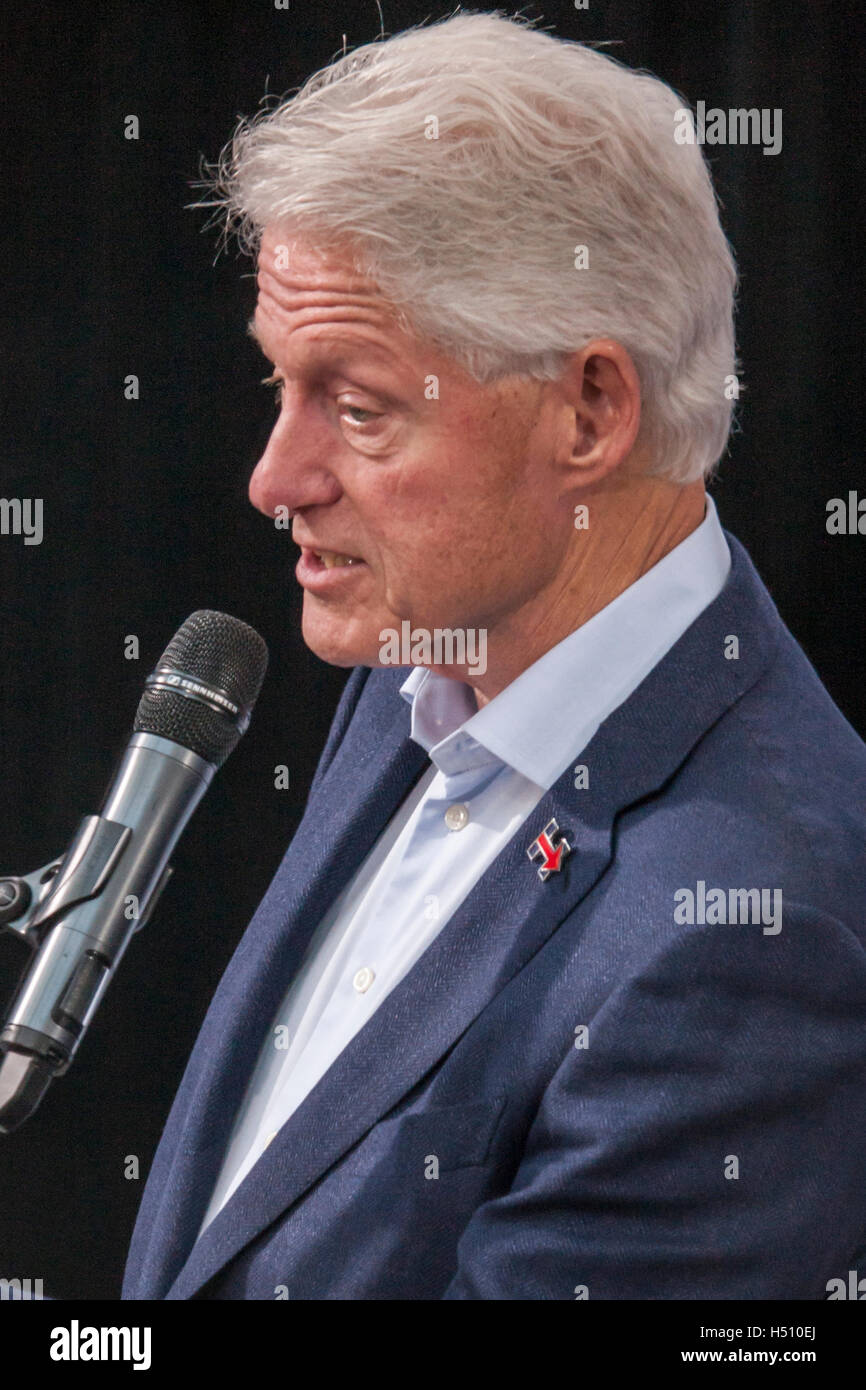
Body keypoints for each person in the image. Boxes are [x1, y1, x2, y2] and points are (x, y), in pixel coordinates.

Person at [122, 12, 866, 1300]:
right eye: (278, 389)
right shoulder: (424, 649)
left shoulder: (758, 937)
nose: (274, 480)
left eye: (359, 408)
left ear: (590, 409)